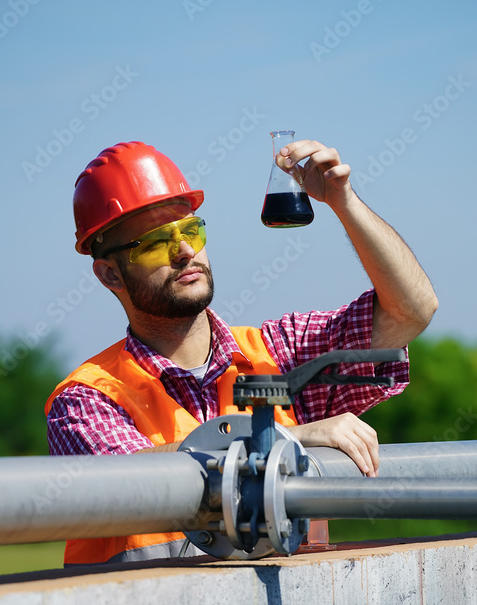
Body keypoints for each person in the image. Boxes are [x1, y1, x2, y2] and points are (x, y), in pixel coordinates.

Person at [46, 140, 438, 564]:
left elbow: (411, 311)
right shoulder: (87, 398)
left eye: (191, 230)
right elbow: (126, 479)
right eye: (157, 242)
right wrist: (282, 441)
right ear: (109, 274)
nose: (184, 251)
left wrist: (344, 203)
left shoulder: (279, 351)